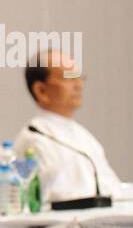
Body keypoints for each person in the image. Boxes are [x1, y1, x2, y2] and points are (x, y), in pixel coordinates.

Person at [13, 51, 122, 202]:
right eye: (68, 78)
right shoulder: (35, 138)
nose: (78, 85)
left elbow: (112, 187)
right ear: (41, 90)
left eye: (79, 77)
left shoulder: (83, 135)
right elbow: (40, 199)